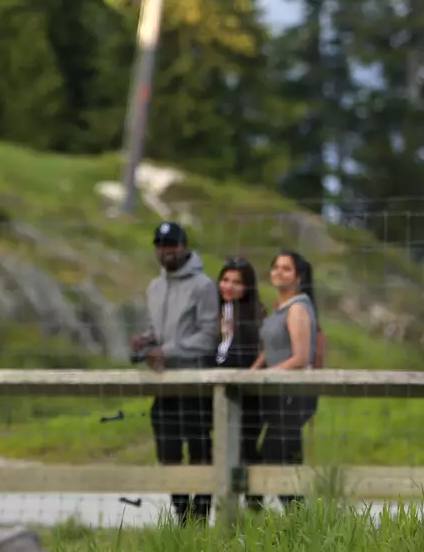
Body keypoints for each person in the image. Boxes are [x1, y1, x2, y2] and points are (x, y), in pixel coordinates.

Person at [130, 221, 220, 524]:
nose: (167, 251)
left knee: (199, 451)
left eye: (172, 245)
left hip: (195, 383)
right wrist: (148, 340)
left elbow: (208, 337)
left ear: (184, 246)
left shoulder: (204, 286)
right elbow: (160, 331)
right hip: (165, 384)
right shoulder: (154, 287)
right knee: (167, 451)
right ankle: (182, 515)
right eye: (161, 245)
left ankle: (201, 515)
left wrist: (167, 351)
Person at [251, 249, 320, 510]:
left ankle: (287, 514)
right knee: (284, 454)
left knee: (276, 451)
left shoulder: (298, 309)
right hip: (276, 393)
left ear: (298, 277)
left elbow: (301, 358)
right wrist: (251, 372)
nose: (278, 272)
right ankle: (295, 517)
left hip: (294, 394)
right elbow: (267, 350)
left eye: (286, 268)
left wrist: (268, 374)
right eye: (275, 267)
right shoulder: (279, 309)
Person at [214, 258, 267, 503]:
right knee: (223, 449)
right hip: (218, 389)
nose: (229, 286)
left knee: (246, 448)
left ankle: (254, 505)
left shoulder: (256, 314)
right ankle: (228, 506)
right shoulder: (213, 311)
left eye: (237, 282)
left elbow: (266, 350)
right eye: (225, 280)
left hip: (248, 392)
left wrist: (251, 373)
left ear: (247, 286)